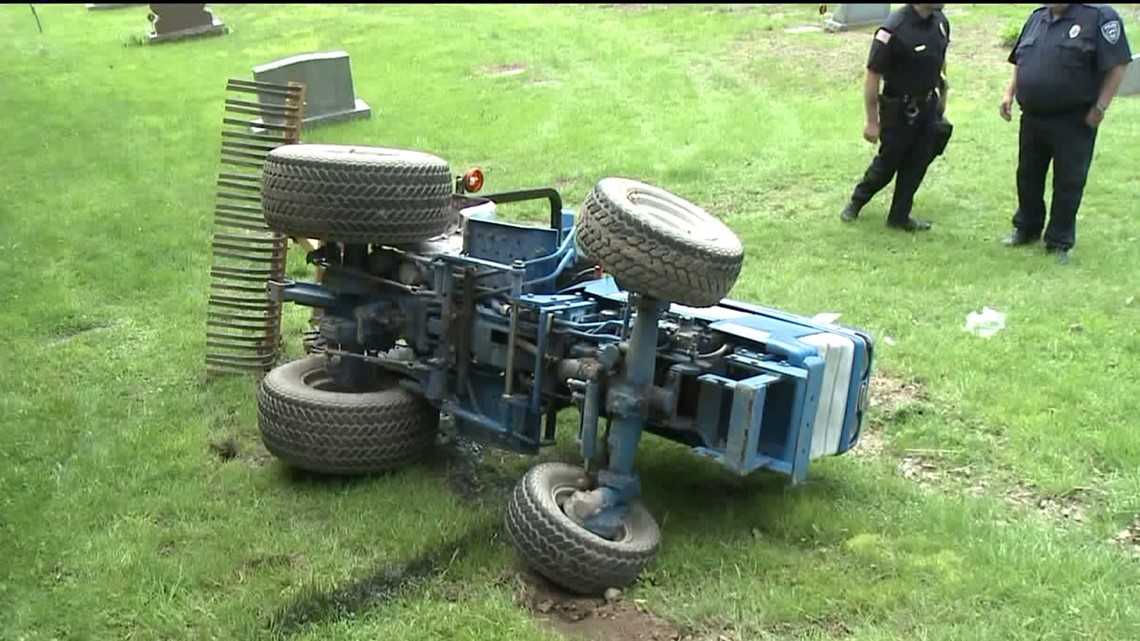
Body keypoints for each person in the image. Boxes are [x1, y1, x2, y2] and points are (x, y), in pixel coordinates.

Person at [999, 4, 1133, 264]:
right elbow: (1021, 59)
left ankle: (1058, 240)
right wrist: (1009, 93)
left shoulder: (1099, 16)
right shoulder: (1037, 17)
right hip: (1033, 115)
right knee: (1027, 175)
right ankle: (1026, 228)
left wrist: (1101, 106)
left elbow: (1119, 64)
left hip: (1073, 119)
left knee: (1068, 182)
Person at [840, 4, 951, 232]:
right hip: (900, 109)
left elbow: (941, 61)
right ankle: (857, 201)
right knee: (888, 162)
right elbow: (873, 76)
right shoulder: (894, 29)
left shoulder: (940, 22)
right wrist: (871, 121)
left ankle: (899, 216)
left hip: (928, 106)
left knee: (919, 161)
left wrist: (942, 96)